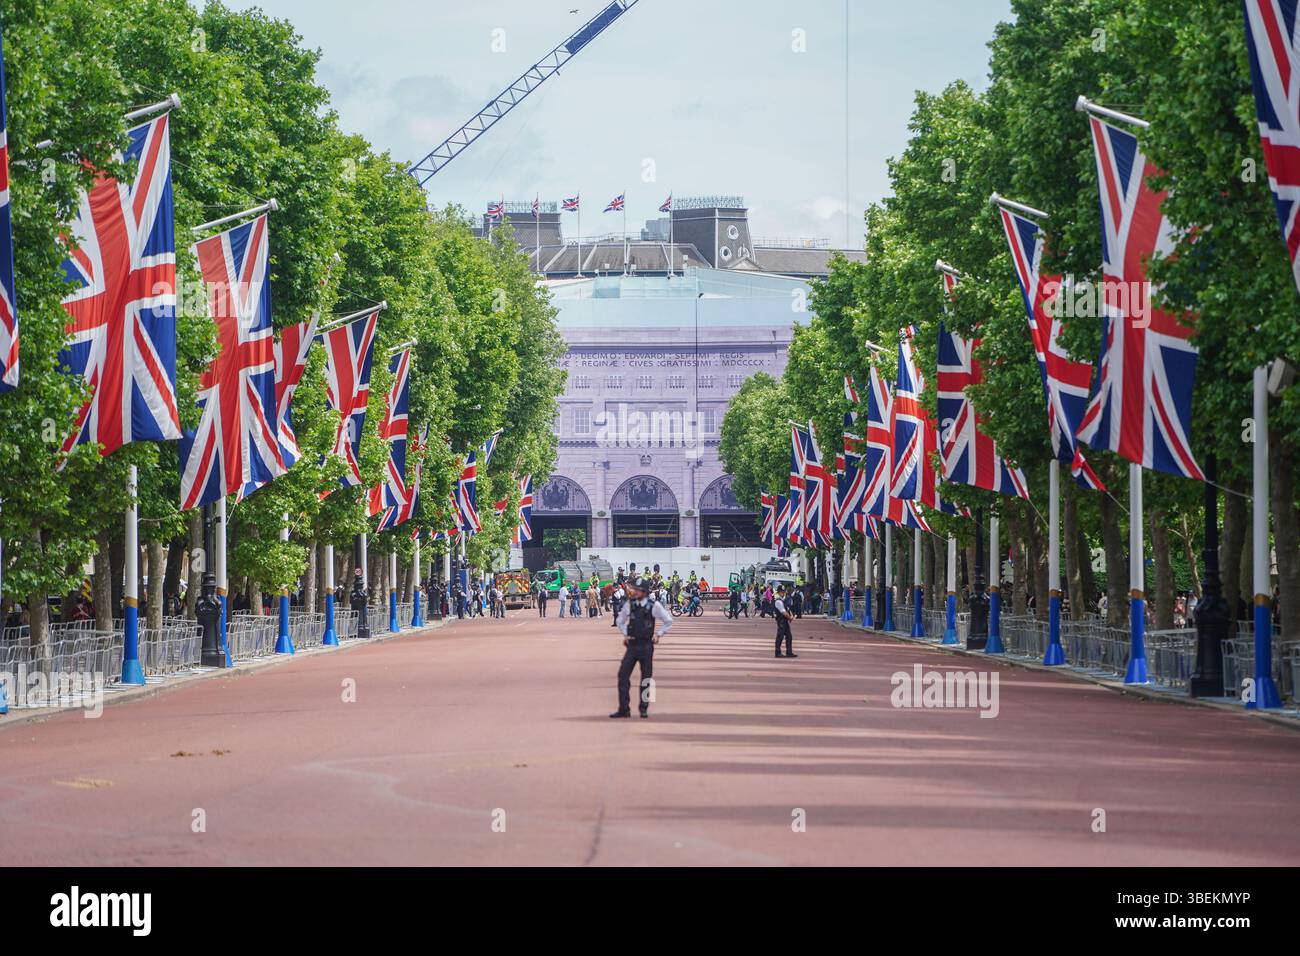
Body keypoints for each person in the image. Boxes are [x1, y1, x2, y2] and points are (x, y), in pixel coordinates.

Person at [610, 576, 673, 719]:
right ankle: (623, 708)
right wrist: (625, 634)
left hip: (646, 646)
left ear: (644, 591)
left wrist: (658, 634)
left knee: (647, 678)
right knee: (623, 675)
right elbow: (620, 621)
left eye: (638, 590)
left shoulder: (654, 605)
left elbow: (668, 621)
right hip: (632, 645)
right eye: (635, 589)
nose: (635, 592)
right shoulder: (630, 604)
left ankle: (644, 708)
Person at [773, 585, 796, 658]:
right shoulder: (778, 601)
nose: (782, 593)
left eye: (783, 592)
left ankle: (789, 652)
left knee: (789, 636)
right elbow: (783, 612)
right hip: (781, 620)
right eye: (781, 592)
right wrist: (790, 618)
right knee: (780, 636)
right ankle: (777, 652)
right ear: (778, 592)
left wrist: (791, 616)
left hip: (785, 620)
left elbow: (788, 609)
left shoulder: (783, 600)